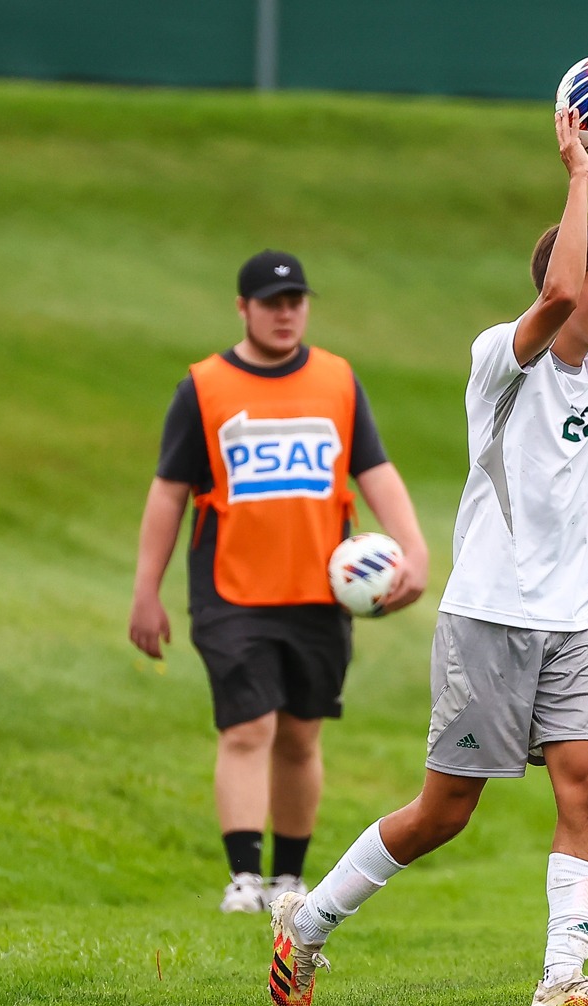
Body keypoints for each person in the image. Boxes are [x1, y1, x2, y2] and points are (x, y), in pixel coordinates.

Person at [266, 109, 588, 1006]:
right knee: (445, 812)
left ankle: (563, 978)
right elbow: (553, 299)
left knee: (587, 790)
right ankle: (309, 923)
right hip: (487, 615)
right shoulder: (500, 359)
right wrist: (580, 173)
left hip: (571, 624)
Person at [129, 251, 430, 914]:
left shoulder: (337, 381)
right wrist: (145, 592)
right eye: (271, 303)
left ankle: (290, 880)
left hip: (320, 597)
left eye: (296, 300)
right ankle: (244, 878)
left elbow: (374, 471)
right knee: (248, 728)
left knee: (300, 733)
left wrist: (414, 550)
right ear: (243, 309)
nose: (286, 312)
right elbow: (167, 494)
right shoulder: (204, 388)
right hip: (232, 592)